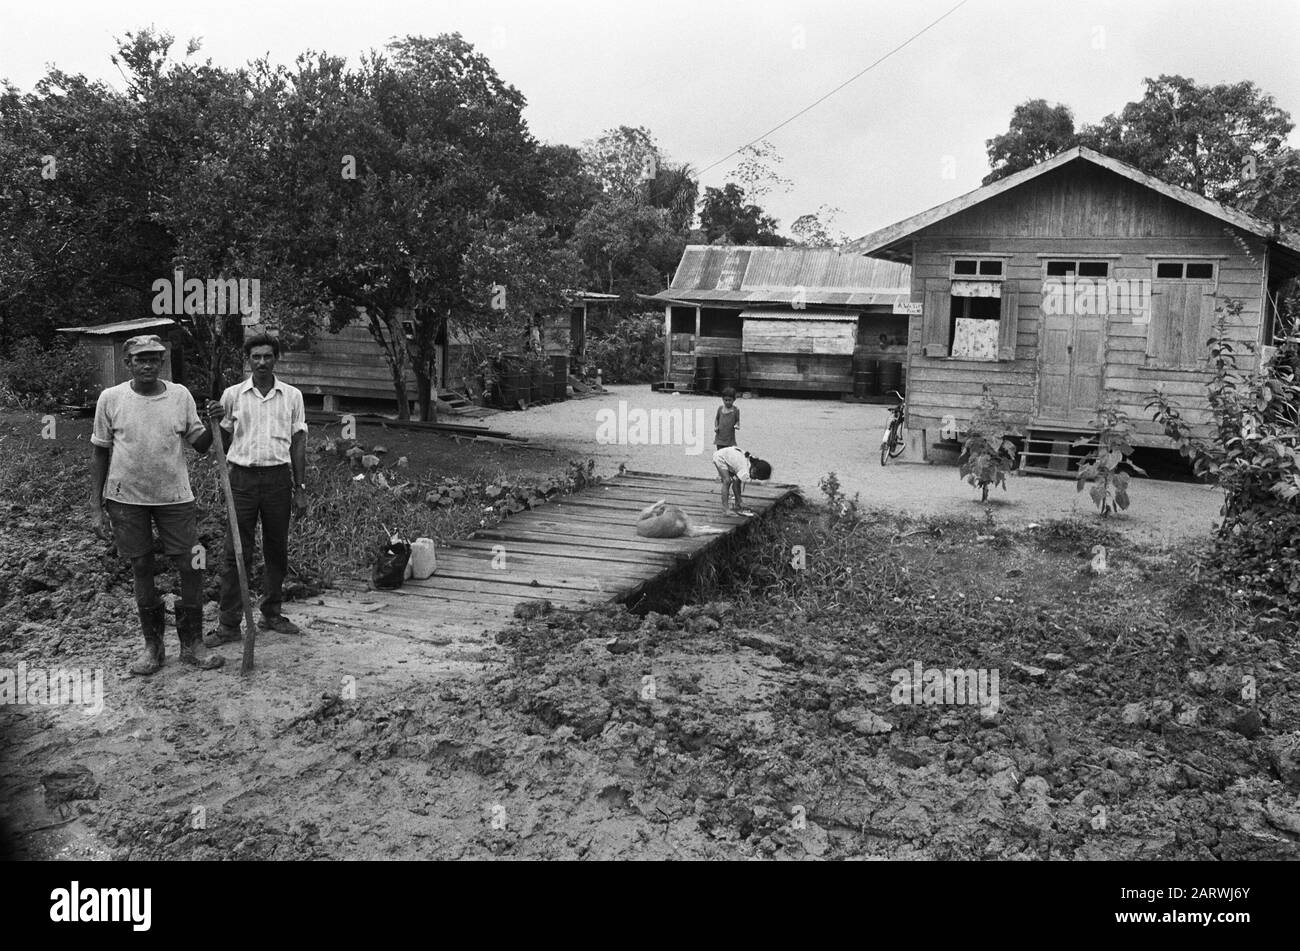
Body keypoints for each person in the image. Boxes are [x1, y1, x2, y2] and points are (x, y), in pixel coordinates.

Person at [89, 334, 224, 674]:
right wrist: (95, 505)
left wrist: (216, 423)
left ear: (162, 363)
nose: (148, 364)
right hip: (126, 499)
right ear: (128, 363)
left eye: (154, 358)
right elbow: (99, 452)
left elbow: (203, 444)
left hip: (175, 497)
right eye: (140, 359)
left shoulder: (180, 396)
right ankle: (153, 647)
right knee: (141, 566)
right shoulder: (111, 398)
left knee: (192, 564)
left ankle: (193, 645)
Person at [205, 333, 308, 645]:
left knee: (276, 548)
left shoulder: (292, 396)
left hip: (278, 479)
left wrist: (299, 487)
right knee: (235, 551)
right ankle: (228, 623)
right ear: (247, 360)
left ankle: (272, 612)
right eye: (255, 357)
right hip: (242, 480)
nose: (261, 362)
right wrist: (214, 421)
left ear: (276, 358)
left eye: (267, 356)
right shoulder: (232, 395)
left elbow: (299, 443)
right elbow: (221, 443)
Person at [711, 445, 772, 517]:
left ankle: (738, 503)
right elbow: (735, 485)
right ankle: (726, 509)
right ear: (754, 470)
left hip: (729, 458)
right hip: (720, 457)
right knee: (727, 481)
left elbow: (737, 481)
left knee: (736, 480)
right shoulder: (745, 470)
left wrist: (739, 501)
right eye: (755, 477)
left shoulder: (751, 462)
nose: (754, 478)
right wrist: (740, 500)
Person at [714, 387, 740, 451]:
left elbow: (737, 420)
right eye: (725, 400)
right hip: (720, 438)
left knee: (728, 454)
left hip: (729, 439)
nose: (727, 402)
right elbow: (717, 419)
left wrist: (737, 425)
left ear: (734, 400)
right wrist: (716, 427)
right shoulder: (720, 409)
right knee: (720, 453)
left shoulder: (735, 410)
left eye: (730, 400)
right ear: (722, 399)